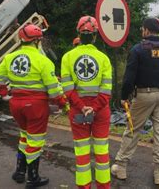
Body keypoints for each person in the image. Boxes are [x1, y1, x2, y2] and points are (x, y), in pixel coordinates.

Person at [111, 17, 159, 185]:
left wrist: (124, 96)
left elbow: (129, 78)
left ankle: (121, 167)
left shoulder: (138, 49)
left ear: (145, 30)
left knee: (133, 130)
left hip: (144, 95)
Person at [0, 23, 64, 188]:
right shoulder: (43, 61)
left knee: (24, 136)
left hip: (16, 104)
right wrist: (62, 103)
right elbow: (53, 90)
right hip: (36, 106)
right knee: (35, 141)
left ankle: (19, 172)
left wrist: (5, 94)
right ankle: (33, 178)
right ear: (37, 41)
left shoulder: (9, 58)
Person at [60, 15, 112, 189]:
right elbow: (106, 91)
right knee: (101, 152)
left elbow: (67, 90)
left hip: (78, 111)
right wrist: (94, 108)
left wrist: (83, 108)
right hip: (101, 111)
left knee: (81, 153)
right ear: (96, 35)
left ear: (78, 34)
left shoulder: (67, 57)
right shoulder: (104, 59)